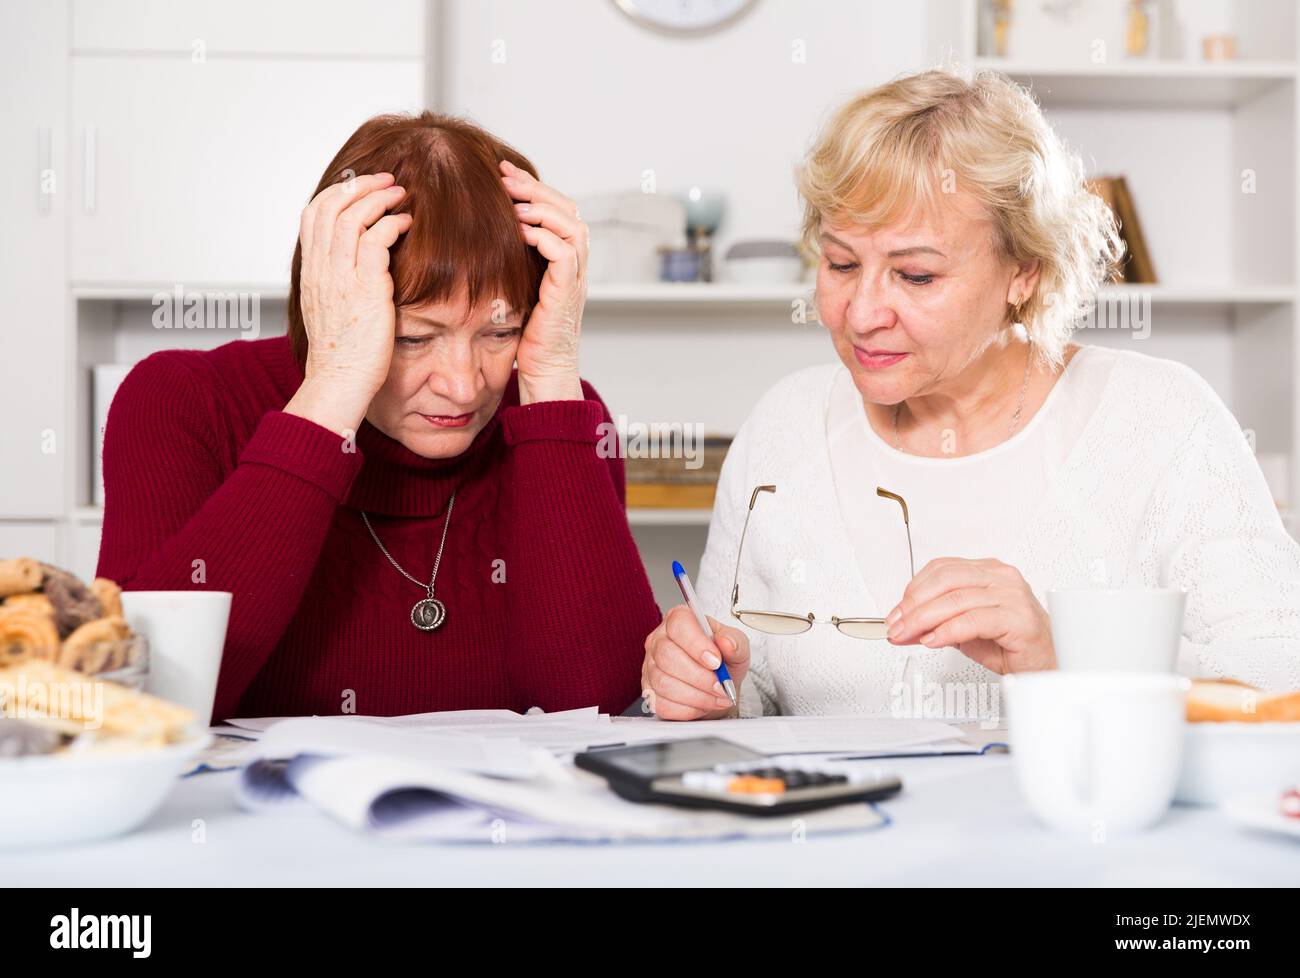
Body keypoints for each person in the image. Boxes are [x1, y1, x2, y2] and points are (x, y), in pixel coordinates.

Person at [640, 68, 1300, 720]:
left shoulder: (1161, 420)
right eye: (841, 263)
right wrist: (707, 687)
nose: (862, 313)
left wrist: (1066, 657)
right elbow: (746, 684)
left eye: (916, 275)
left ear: (1024, 271)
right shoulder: (785, 426)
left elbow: (1278, 683)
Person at [100, 112, 660, 722]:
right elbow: (148, 701)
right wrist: (333, 388)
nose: (463, 386)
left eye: (500, 332)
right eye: (413, 339)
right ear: (330, 302)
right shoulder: (182, 401)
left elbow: (597, 708)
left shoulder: (562, 416)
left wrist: (552, 380)